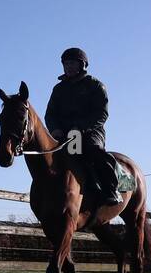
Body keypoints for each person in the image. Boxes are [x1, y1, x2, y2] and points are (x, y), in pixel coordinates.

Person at [44, 47, 121, 205]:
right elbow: (50, 114)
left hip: (90, 131)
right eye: (66, 64)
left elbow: (101, 113)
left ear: (82, 65)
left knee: (93, 150)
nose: (68, 67)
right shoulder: (58, 89)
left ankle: (111, 189)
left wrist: (80, 127)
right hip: (64, 134)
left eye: (72, 63)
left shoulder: (95, 85)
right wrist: (55, 129)